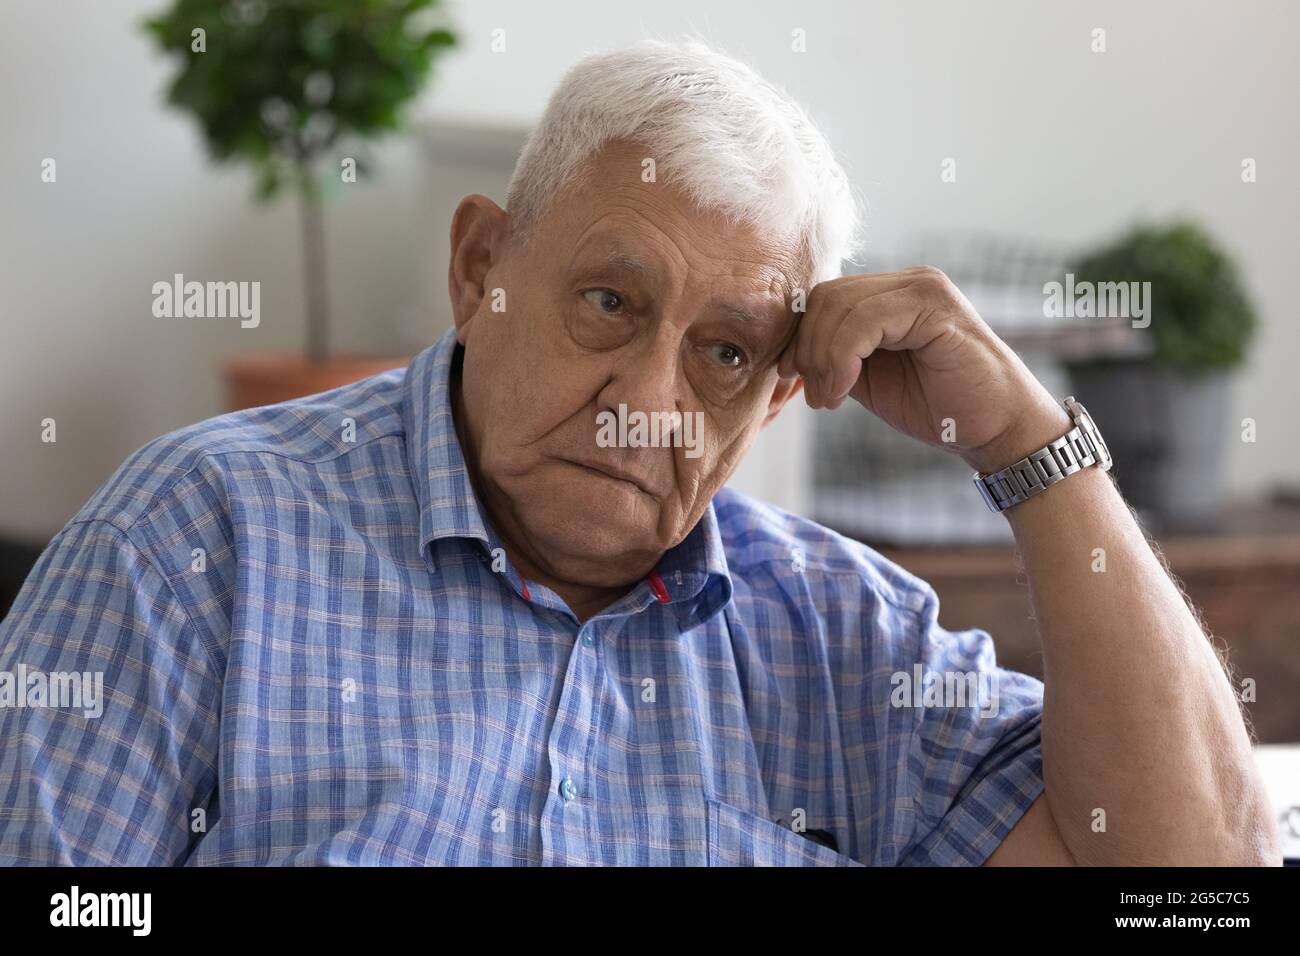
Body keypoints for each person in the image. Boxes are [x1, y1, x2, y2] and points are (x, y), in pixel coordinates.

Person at [0, 40, 1277, 866]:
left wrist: (1034, 446)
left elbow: (1194, 882)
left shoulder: (847, 635)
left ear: (777, 399)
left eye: (725, 353)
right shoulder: (191, 540)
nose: (645, 404)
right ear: (479, 268)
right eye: (608, 303)